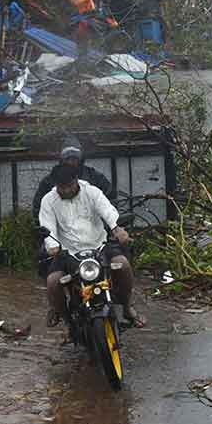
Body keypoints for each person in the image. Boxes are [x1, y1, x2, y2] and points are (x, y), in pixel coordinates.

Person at [39, 162, 146, 328]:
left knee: (123, 266)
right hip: (68, 252)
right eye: (62, 187)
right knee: (53, 282)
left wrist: (117, 229)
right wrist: (52, 246)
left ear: (76, 180)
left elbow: (108, 211)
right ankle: (68, 323)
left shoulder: (92, 192)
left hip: (100, 246)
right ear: (56, 185)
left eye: (69, 186)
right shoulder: (48, 201)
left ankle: (126, 307)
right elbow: (48, 228)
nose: (66, 191)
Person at [32, 135, 114, 223]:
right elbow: (38, 209)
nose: (71, 162)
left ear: (80, 159)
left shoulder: (95, 178)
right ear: (62, 160)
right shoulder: (49, 181)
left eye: (74, 158)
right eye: (68, 159)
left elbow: (111, 201)